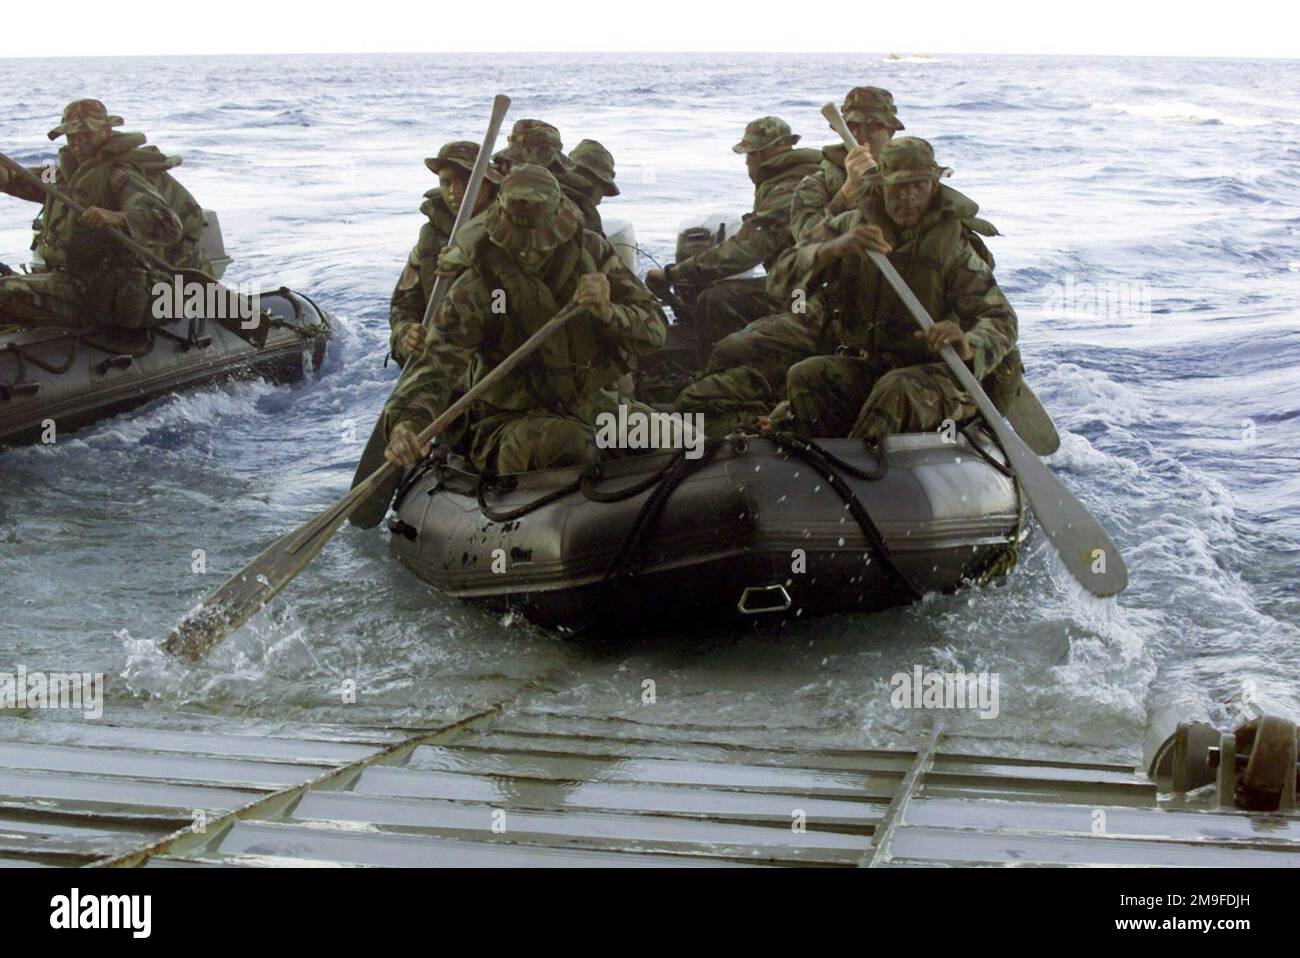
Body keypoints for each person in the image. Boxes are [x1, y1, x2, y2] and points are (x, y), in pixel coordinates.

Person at [383, 165, 667, 474]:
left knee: (686, 445)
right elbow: (435, 368)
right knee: (571, 446)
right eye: (520, 240)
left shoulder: (592, 255)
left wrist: (609, 312)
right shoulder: (478, 286)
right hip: (506, 422)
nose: (530, 251)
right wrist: (406, 425)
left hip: (594, 406)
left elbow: (654, 331)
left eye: (541, 240)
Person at [770, 137, 1019, 440]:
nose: (908, 197)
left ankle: (858, 467)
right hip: (873, 366)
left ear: (934, 187)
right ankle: (820, 456)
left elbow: (1001, 319)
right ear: (880, 186)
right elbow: (780, 279)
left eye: (918, 186)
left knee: (897, 389)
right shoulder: (849, 227)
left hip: (942, 377)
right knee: (806, 375)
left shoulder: (954, 248)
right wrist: (831, 250)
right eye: (898, 187)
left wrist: (968, 344)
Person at [0, 99, 188, 330]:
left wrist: (117, 217)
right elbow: (26, 180)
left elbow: (169, 224)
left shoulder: (120, 175)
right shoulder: (63, 174)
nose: (78, 145)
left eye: (86, 136)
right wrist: (5, 177)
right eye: (72, 138)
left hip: (98, 290)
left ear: (106, 131)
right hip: (64, 278)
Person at [644, 116, 820, 350]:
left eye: (749, 154)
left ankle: (733, 370)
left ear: (762, 154)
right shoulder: (794, 176)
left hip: (805, 295)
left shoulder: (789, 188)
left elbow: (746, 248)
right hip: (802, 284)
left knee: (717, 299)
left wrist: (675, 274)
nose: (747, 163)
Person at [387, 140, 500, 365]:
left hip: (492, 369)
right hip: (437, 364)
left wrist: (472, 269)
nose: (454, 192)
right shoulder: (431, 237)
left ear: (488, 185)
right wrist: (406, 335)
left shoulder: (508, 235)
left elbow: (504, 305)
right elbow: (403, 304)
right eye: (446, 182)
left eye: (466, 182)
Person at [790, 86, 904, 243]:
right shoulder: (815, 185)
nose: (858, 134)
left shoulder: (909, 179)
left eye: (871, 126)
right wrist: (848, 192)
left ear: (890, 131)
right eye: (851, 127)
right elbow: (805, 246)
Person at [565, 138, 620, 237]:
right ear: (594, 181)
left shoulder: (544, 189)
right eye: (604, 188)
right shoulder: (585, 213)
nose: (600, 201)